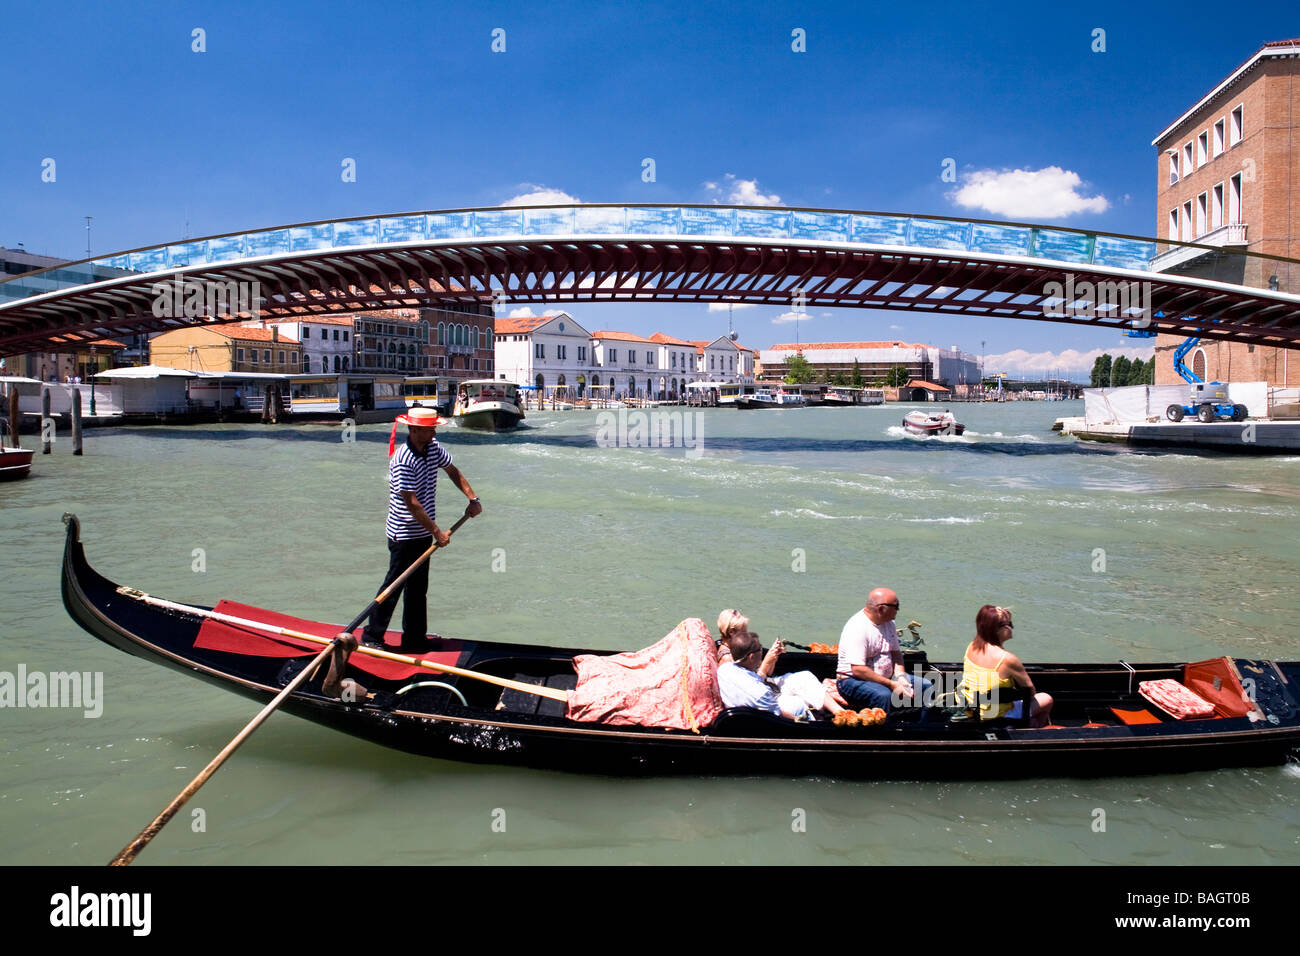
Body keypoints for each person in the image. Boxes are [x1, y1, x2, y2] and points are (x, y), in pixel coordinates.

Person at [361, 407, 482, 652]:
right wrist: (438, 532)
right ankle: (372, 637)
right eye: (430, 429)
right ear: (415, 430)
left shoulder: (433, 448)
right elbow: (412, 504)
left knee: (418, 589)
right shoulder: (403, 459)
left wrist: (473, 498)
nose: (434, 432)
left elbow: (453, 472)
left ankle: (414, 639)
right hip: (403, 533)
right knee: (393, 586)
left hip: (423, 532)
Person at [715, 613, 846, 719]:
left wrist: (771, 659)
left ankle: (840, 713)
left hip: (766, 688)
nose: (747, 634)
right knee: (799, 702)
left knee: (804, 677)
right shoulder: (727, 662)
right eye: (744, 632)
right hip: (763, 701)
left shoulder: (730, 665)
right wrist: (766, 662)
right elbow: (754, 693)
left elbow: (760, 677)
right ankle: (818, 722)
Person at [836, 588, 931, 713]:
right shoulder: (858, 628)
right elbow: (858, 670)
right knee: (883, 695)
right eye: (896, 606)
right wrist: (891, 684)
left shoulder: (889, 623)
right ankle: (883, 729)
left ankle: (921, 727)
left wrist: (901, 677)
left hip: (887, 678)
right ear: (881, 609)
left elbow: (896, 655)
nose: (898, 610)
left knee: (925, 685)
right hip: (851, 680)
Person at [959, 605, 1053, 727]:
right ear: (997, 630)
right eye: (1010, 624)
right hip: (995, 714)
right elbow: (1030, 692)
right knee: (1047, 699)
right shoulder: (1007, 659)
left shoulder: (972, 646)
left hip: (971, 707)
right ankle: (1032, 730)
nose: (1012, 628)